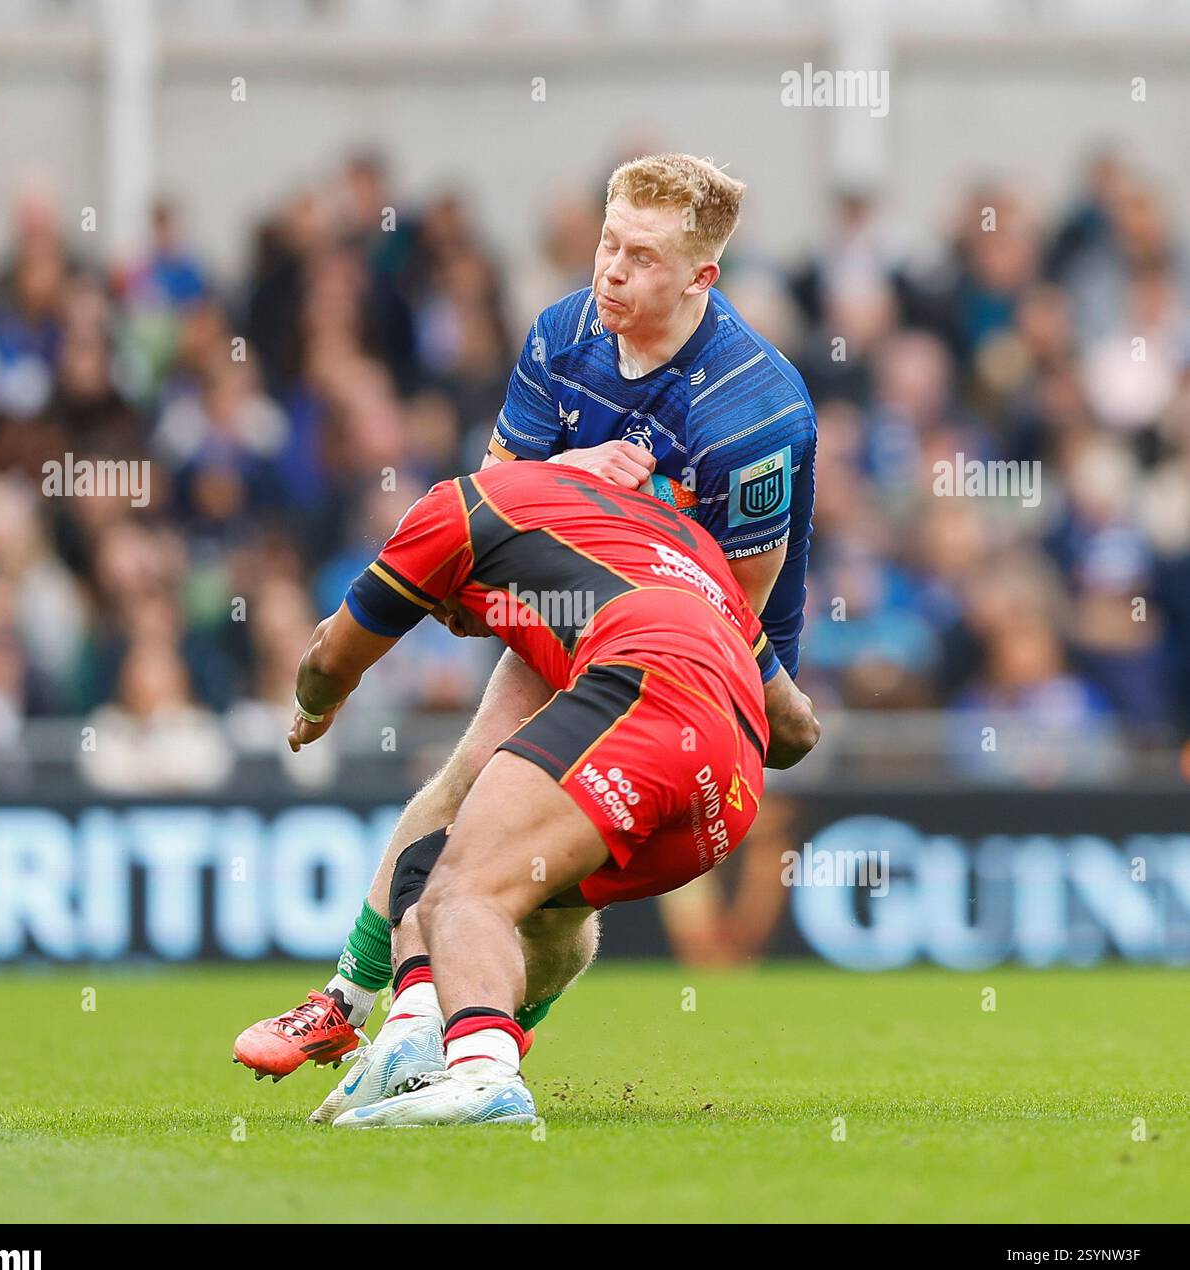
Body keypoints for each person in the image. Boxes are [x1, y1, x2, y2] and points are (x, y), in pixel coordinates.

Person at [233, 152, 819, 1084]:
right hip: (579, 599)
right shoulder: (562, 334)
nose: (611, 271)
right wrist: (580, 474)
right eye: (606, 243)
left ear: (702, 277)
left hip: (706, 644)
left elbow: (727, 611)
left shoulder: (754, 410)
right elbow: (498, 494)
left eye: (642, 258)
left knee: (783, 739)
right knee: (473, 777)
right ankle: (353, 1004)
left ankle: (459, 1030)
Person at [269, 458, 815, 1126]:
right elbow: (795, 729)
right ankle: (419, 1036)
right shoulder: (686, 546)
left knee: (464, 888)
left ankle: (481, 1072)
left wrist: (312, 707)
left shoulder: (457, 507)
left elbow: (330, 655)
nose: (447, 621)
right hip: (724, 799)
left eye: (441, 606)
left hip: (649, 693)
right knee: (462, 882)